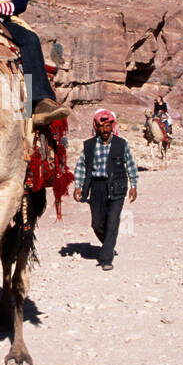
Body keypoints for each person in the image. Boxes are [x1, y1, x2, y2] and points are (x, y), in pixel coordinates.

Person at [72, 109, 138, 271]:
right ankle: (108, 245)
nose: (105, 130)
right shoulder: (89, 146)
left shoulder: (121, 144)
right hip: (97, 187)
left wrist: (134, 185)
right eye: (102, 126)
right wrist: (78, 186)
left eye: (108, 126)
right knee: (97, 224)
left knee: (113, 221)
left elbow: (130, 164)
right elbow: (81, 166)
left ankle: (106, 258)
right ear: (97, 127)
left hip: (117, 186)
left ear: (112, 126)